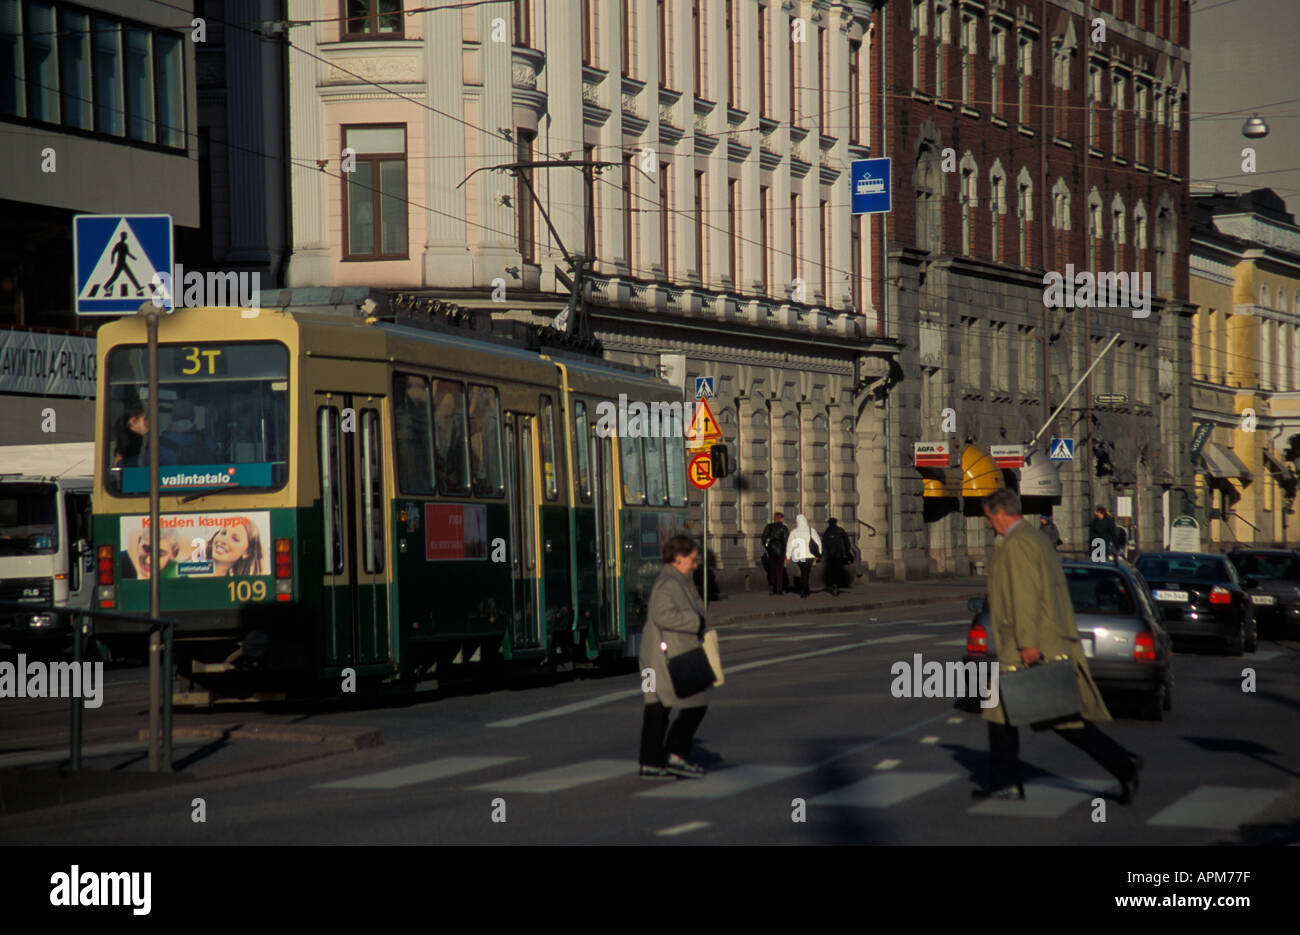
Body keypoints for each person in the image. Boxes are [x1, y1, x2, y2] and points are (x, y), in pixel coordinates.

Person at [975, 489, 1142, 803]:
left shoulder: (1018, 544)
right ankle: (1006, 782)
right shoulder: (1035, 538)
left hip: (1026, 646)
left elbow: (1025, 596)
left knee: (1061, 720)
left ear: (1001, 514)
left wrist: (1027, 644)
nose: (989, 525)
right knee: (999, 716)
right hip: (1027, 642)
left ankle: (1124, 763)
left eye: (989, 518)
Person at [639, 534, 712, 780]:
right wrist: (696, 622)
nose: (695, 564)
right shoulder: (669, 583)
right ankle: (676, 755)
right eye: (692, 559)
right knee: (694, 704)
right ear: (678, 558)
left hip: (660, 655)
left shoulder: (679, 579)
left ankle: (651, 762)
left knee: (657, 708)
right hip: (667, 657)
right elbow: (662, 615)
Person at [160, 400, 217, 465]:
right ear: (193, 416)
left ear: (172, 417)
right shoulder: (206, 440)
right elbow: (219, 462)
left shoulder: (158, 445)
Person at [786, 513, 822, 598]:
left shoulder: (794, 532)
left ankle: (804, 588)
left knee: (803, 572)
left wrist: (788, 556)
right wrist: (819, 554)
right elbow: (818, 542)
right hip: (810, 556)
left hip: (799, 556)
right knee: (806, 572)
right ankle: (805, 589)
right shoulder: (811, 530)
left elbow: (789, 544)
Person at [821, 518, 853, 596]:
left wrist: (823, 554)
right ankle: (837, 585)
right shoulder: (841, 530)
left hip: (830, 555)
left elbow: (824, 544)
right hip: (839, 554)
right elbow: (847, 543)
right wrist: (847, 552)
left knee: (831, 571)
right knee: (838, 570)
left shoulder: (827, 532)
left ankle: (834, 585)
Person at [760, 512, 790, 595]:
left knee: (772, 569)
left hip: (771, 551)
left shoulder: (769, 527)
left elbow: (763, 538)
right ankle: (778, 589)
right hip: (781, 551)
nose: (783, 520)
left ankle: (772, 585)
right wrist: (786, 550)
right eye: (783, 518)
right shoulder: (784, 528)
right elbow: (787, 540)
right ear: (780, 519)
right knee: (779, 570)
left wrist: (767, 547)